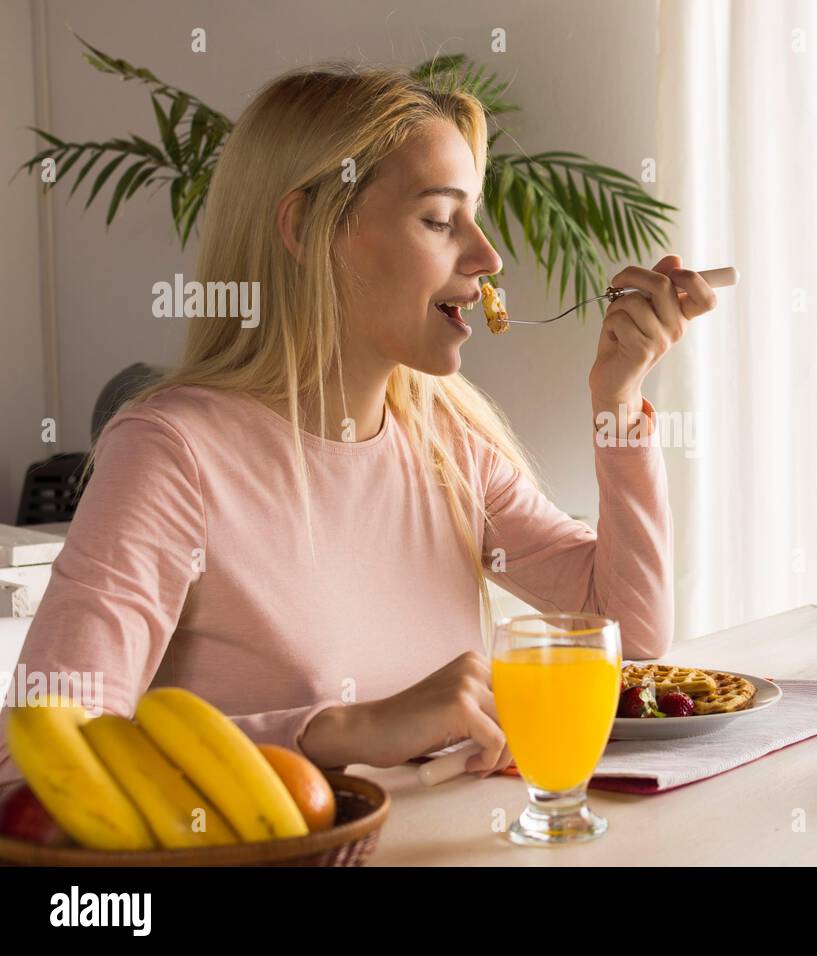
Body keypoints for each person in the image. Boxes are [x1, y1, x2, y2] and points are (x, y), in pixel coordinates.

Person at [0, 63, 716, 785]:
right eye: (439, 219)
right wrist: (338, 731)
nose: (488, 257)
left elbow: (627, 625)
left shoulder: (448, 444)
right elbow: (32, 766)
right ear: (308, 227)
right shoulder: (172, 453)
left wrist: (618, 402)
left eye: (474, 215)